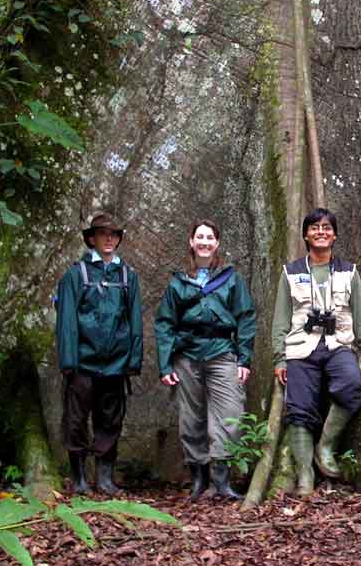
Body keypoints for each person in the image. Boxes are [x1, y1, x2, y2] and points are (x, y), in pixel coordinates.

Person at [272, 208, 361, 498]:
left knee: (352, 385)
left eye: (327, 227)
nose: (321, 232)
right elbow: (281, 319)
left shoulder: (348, 271)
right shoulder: (291, 272)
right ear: (306, 234)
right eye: (315, 227)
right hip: (300, 347)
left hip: (337, 344)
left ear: (335, 235)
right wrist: (279, 358)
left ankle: (326, 446)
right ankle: (305, 474)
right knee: (299, 408)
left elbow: (360, 317)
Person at [155, 219, 256, 501]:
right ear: (191, 242)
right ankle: (198, 480)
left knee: (228, 415)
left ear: (217, 243)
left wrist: (244, 359)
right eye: (199, 237)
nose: (204, 242)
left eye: (209, 237)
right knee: (191, 418)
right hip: (186, 356)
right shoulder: (178, 281)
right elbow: (164, 323)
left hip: (222, 353)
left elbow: (246, 317)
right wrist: (165, 364)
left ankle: (221, 481)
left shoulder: (230, 278)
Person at [56, 213, 143, 495]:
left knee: (110, 420)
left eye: (114, 234)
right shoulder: (75, 274)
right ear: (91, 239)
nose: (108, 239)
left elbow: (135, 320)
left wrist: (133, 360)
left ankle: (105, 478)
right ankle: (79, 478)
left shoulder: (128, 276)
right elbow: (67, 319)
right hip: (82, 362)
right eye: (103, 233)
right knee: (76, 419)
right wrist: (68, 361)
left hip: (115, 364)